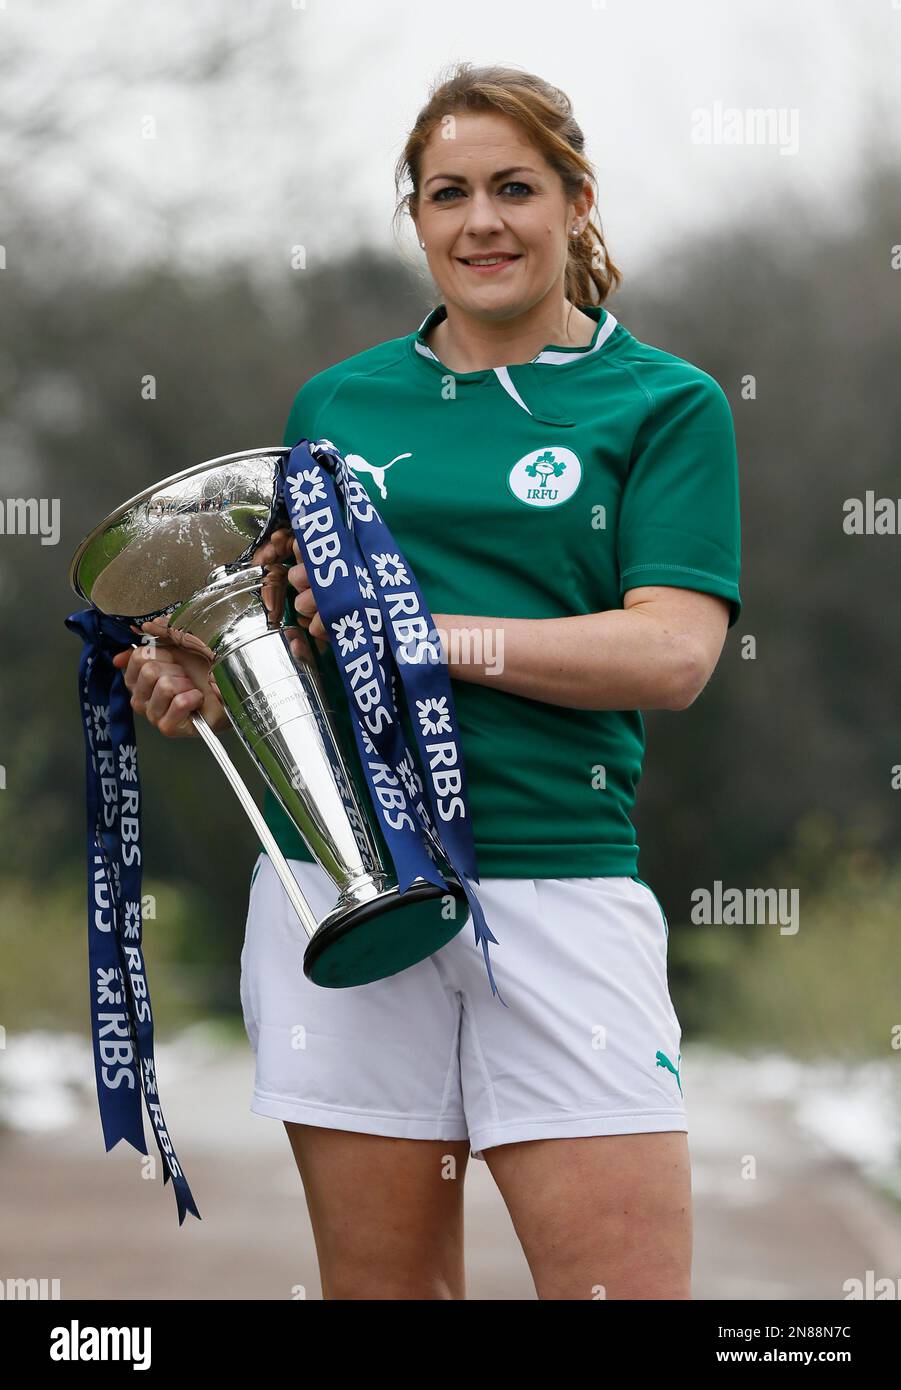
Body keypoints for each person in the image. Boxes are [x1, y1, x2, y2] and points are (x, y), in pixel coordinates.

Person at [113, 62, 741, 1300]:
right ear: (415, 217)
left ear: (576, 200)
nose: (481, 222)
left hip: (558, 889)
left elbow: (670, 653)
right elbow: (303, 643)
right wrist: (204, 676)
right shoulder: (337, 401)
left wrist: (425, 633)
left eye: (515, 187)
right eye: (446, 193)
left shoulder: (665, 404)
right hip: (342, 883)